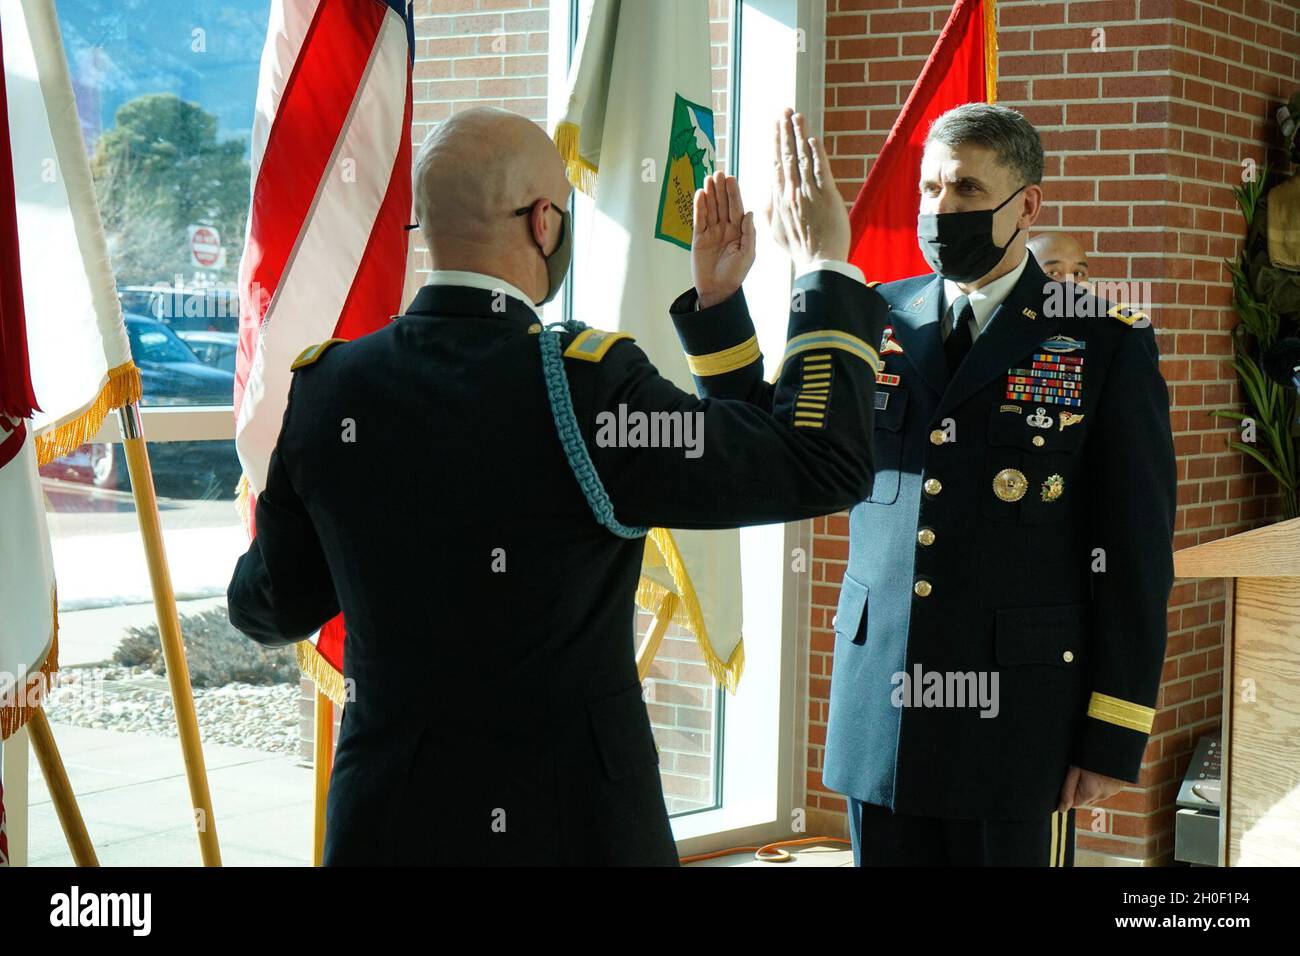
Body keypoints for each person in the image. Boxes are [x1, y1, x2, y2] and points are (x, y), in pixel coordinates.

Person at [226, 107, 889, 865]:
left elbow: (267, 607)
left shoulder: (329, 387)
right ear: (544, 221)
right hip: (574, 825)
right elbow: (813, 463)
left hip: (391, 820)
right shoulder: (583, 387)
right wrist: (824, 268)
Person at [684, 103, 1177, 866]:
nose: (942, 209)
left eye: (968, 191)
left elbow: (1135, 552)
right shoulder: (873, 314)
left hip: (1017, 721)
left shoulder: (1100, 339)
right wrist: (720, 304)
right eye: (931, 189)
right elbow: (770, 440)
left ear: (1028, 206)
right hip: (881, 704)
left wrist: (1113, 729)